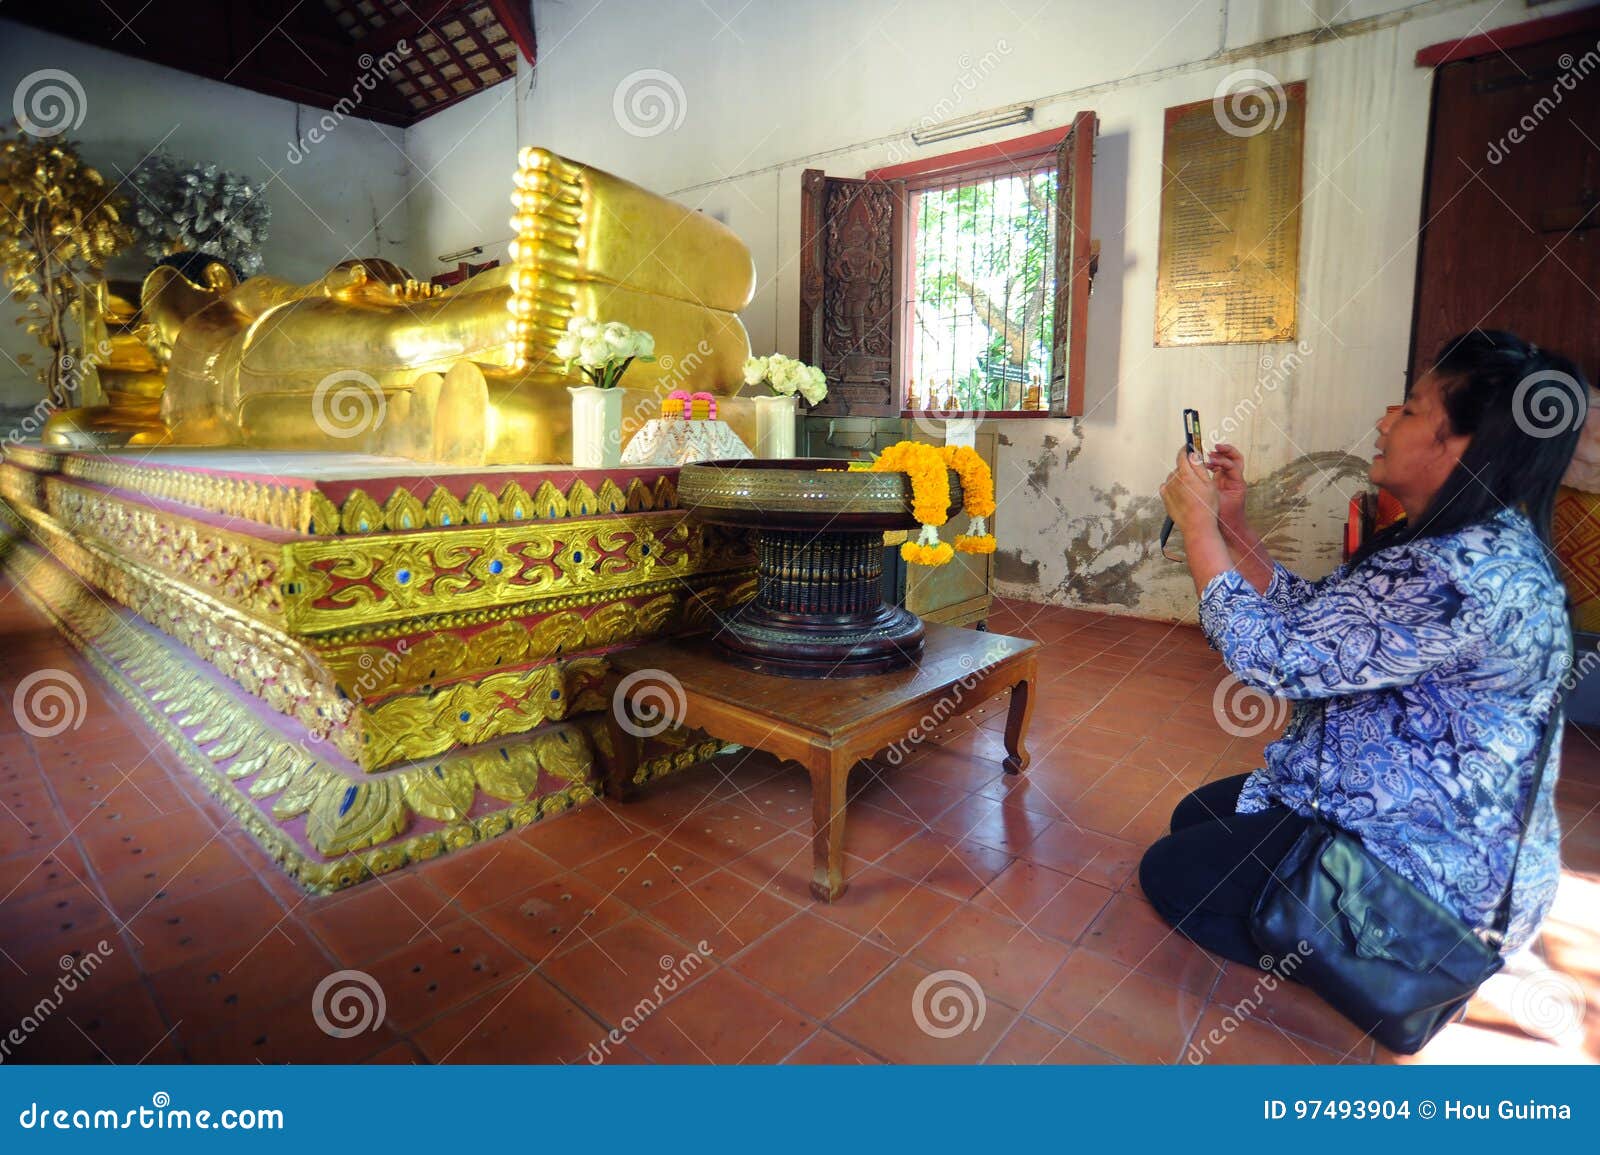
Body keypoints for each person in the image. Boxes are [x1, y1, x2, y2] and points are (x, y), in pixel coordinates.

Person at [1140, 331, 1588, 965]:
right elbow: (1314, 619)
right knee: (1196, 818)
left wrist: (1194, 528)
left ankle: (1391, 951)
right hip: (1386, 802)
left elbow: (1273, 659)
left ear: (1462, 443)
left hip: (1434, 871)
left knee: (1173, 874)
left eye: (1409, 410)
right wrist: (1229, 525)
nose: (1383, 423)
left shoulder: (1453, 574)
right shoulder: (1456, 539)